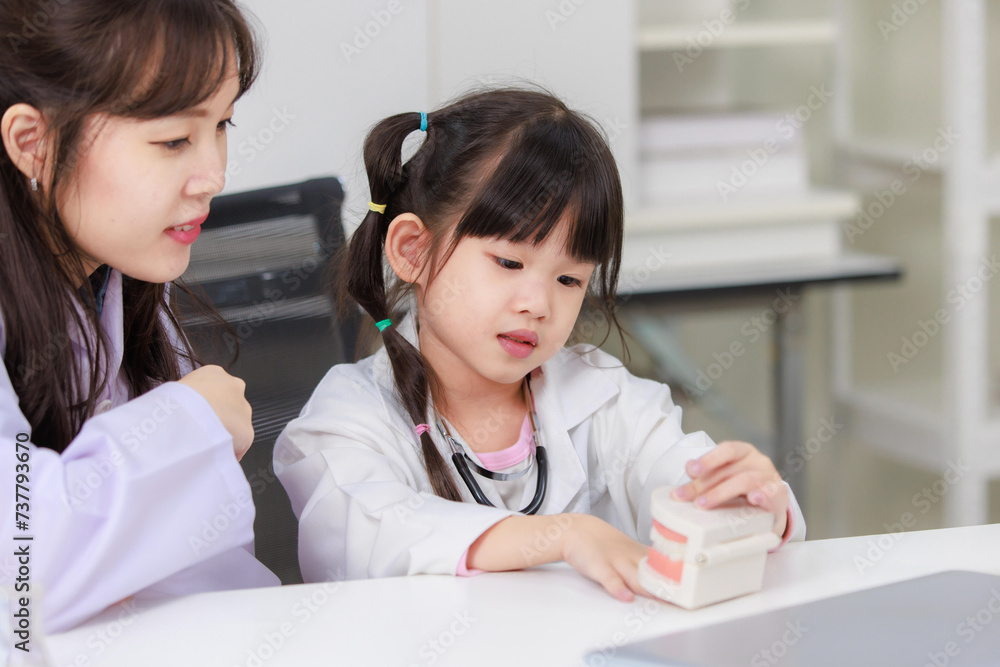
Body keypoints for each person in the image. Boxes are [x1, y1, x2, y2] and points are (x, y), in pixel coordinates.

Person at [275, 88, 805, 601]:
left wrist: (744, 503)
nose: (539, 304)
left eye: (569, 280)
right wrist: (562, 535)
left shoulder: (604, 398)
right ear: (413, 250)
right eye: (509, 263)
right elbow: (365, 539)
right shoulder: (347, 420)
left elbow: (676, 477)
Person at [0, 0, 279, 633]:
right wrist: (189, 424)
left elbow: (208, 574)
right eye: (174, 139)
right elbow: (20, 568)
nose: (213, 176)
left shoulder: (121, 287)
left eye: (223, 126)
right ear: (33, 144)